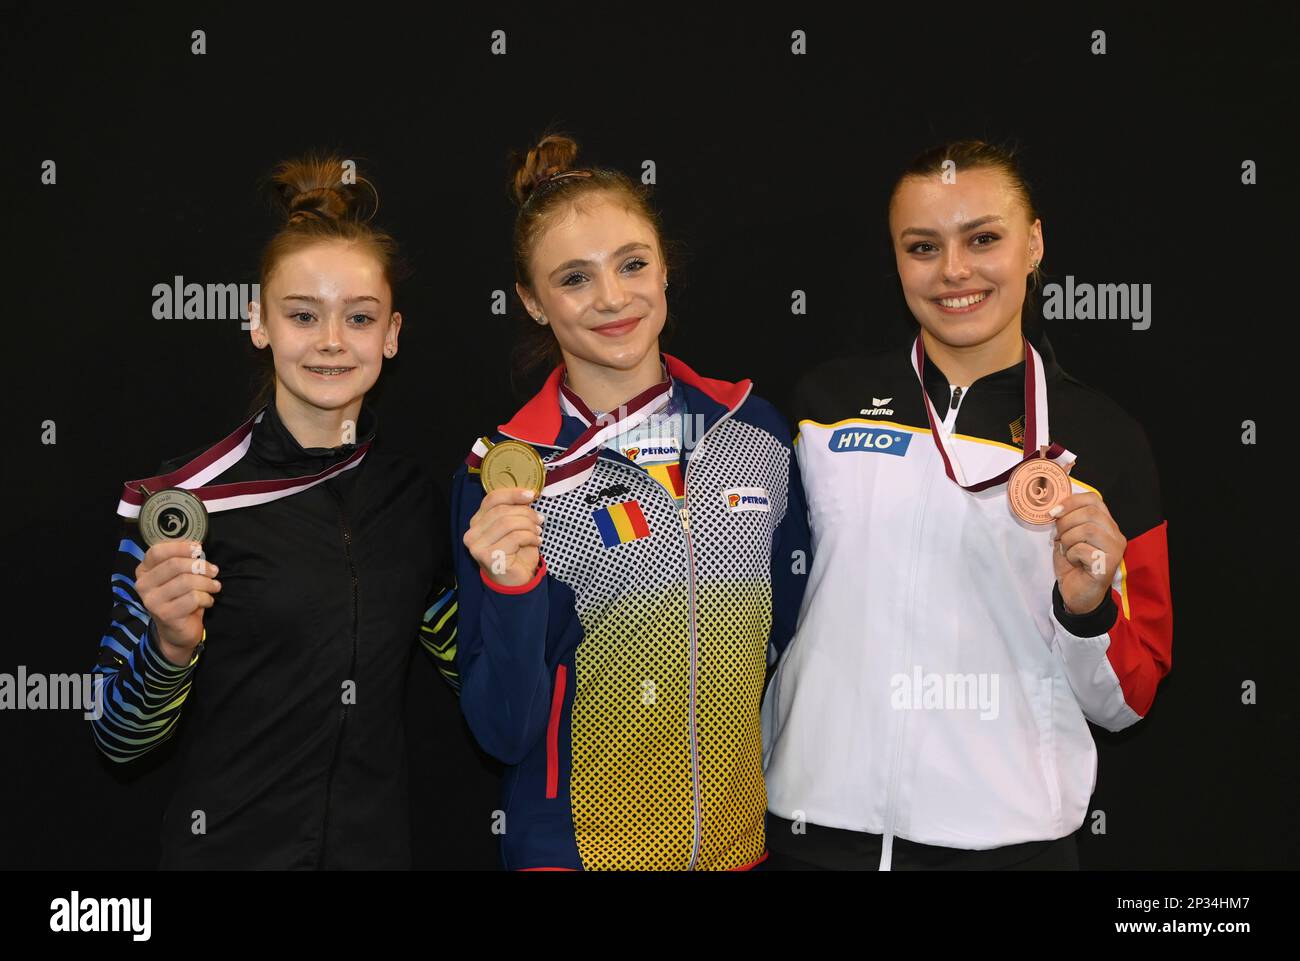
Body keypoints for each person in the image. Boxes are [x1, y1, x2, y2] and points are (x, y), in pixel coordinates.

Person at [761, 140, 1173, 870]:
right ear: (895, 258)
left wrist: (1088, 612)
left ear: (1034, 242)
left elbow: (1130, 698)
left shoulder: (1106, 439)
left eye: (983, 238)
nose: (954, 270)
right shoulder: (823, 408)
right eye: (923, 246)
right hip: (811, 826)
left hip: (1007, 844)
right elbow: (772, 611)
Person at [450, 133, 810, 870]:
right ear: (530, 300)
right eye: (574, 278)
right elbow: (502, 731)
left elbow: (792, 641)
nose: (613, 298)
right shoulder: (506, 476)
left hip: (740, 854)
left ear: (665, 267)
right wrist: (510, 591)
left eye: (633, 264)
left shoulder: (758, 434)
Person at [90, 154, 457, 869]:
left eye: (359, 317)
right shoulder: (184, 505)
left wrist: (521, 588)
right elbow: (115, 735)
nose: (329, 341)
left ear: (392, 334)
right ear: (258, 323)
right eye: (301, 315)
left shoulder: (414, 502)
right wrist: (168, 646)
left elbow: (481, 685)